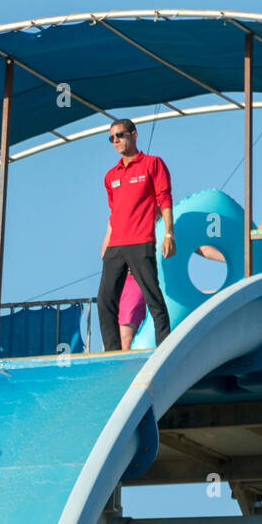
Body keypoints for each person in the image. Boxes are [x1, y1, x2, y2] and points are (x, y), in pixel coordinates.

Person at [96, 119, 175, 352]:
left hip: (141, 242)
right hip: (116, 246)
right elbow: (115, 212)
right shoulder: (110, 176)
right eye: (111, 138)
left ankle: (164, 349)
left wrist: (169, 233)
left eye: (120, 134)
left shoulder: (153, 164)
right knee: (104, 301)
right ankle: (111, 353)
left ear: (134, 134)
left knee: (154, 298)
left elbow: (164, 199)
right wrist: (106, 247)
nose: (116, 140)